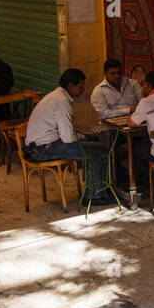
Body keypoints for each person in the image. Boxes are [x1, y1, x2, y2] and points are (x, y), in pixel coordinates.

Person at [25, 68, 111, 205]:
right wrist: (82, 137)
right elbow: (68, 138)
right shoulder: (61, 101)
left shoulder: (57, 96)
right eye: (80, 87)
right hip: (43, 149)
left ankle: (95, 190)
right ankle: (94, 196)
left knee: (93, 146)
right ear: (70, 86)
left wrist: (82, 135)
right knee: (99, 150)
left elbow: (66, 131)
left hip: (39, 145)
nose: (82, 90)